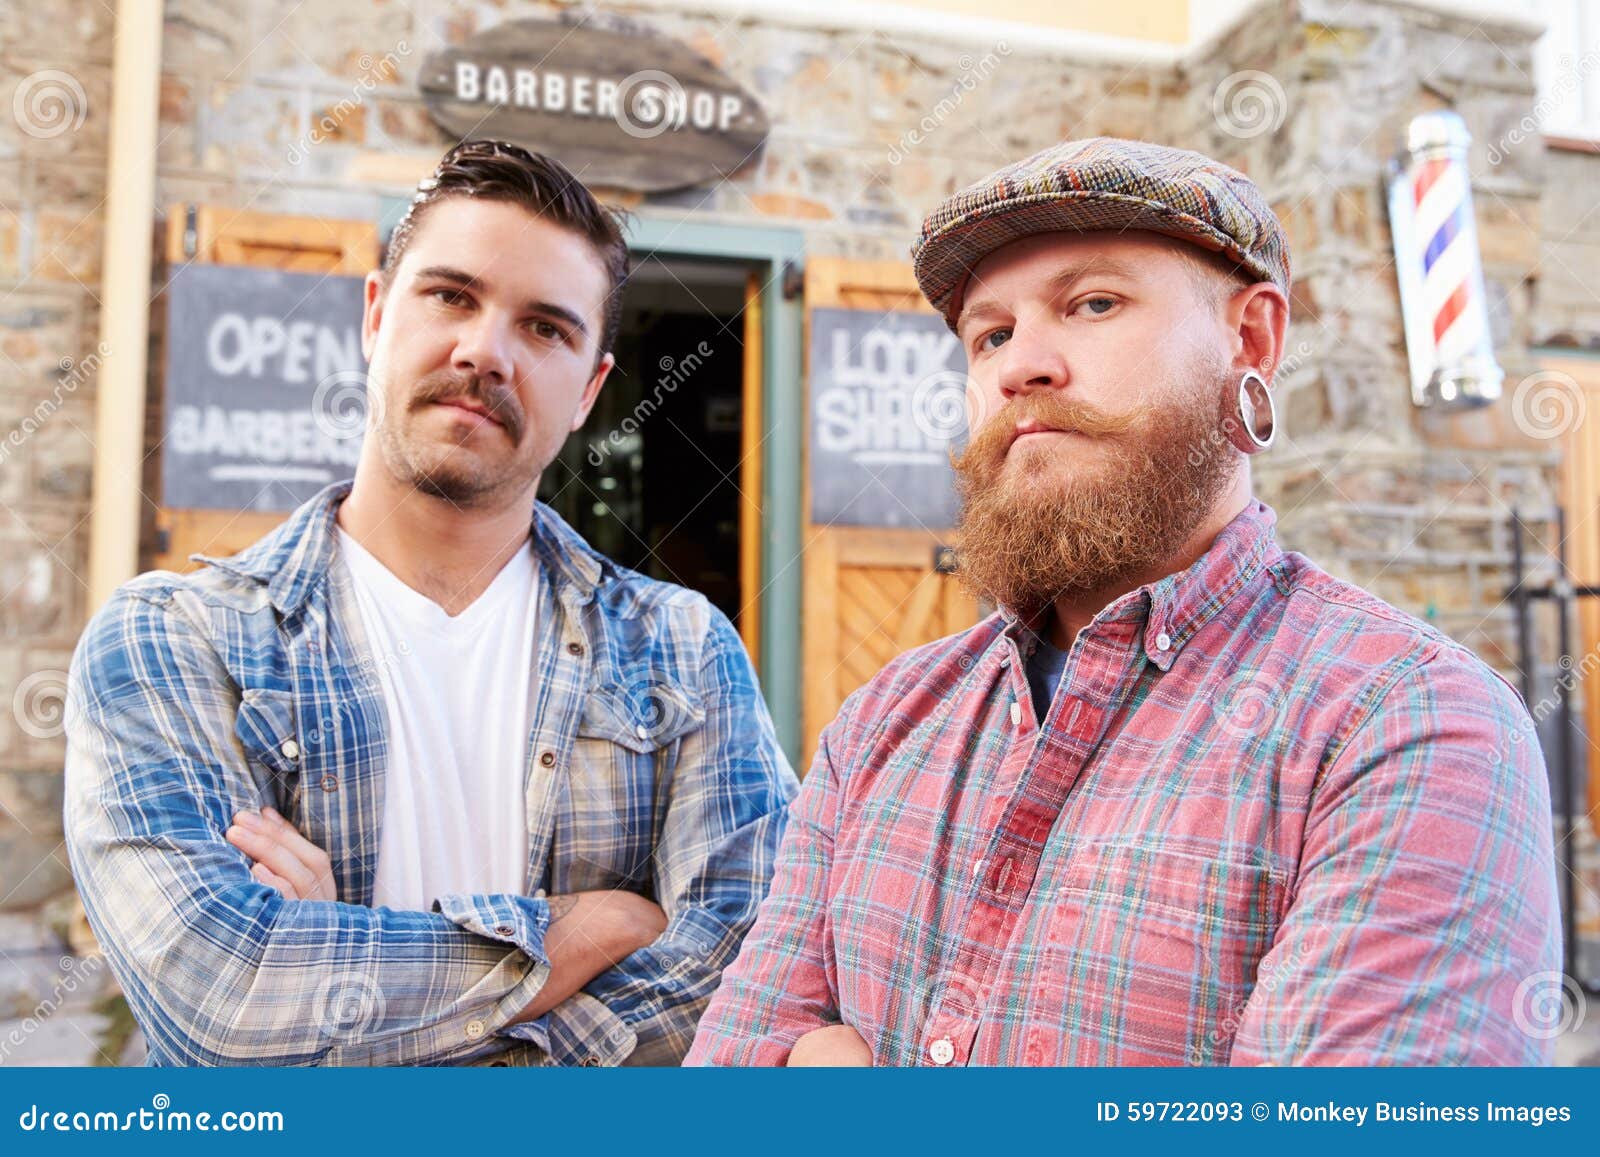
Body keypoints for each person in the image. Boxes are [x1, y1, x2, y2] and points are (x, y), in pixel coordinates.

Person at [687, 136, 1561, 1067]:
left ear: (1251, 338)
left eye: (1093, 302)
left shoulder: (1409, 724)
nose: (1021, 365)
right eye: (991, 335)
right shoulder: (881, 721)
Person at [64, 140, 796, 1067]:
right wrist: (588, 928)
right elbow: (227, 1000)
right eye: (451, 295)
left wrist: (341, 990)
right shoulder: (176, 638)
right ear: (376, 314)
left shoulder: (680, 647)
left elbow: (759, 971)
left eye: (545, 328)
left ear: (590, 391)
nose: (483, 350)